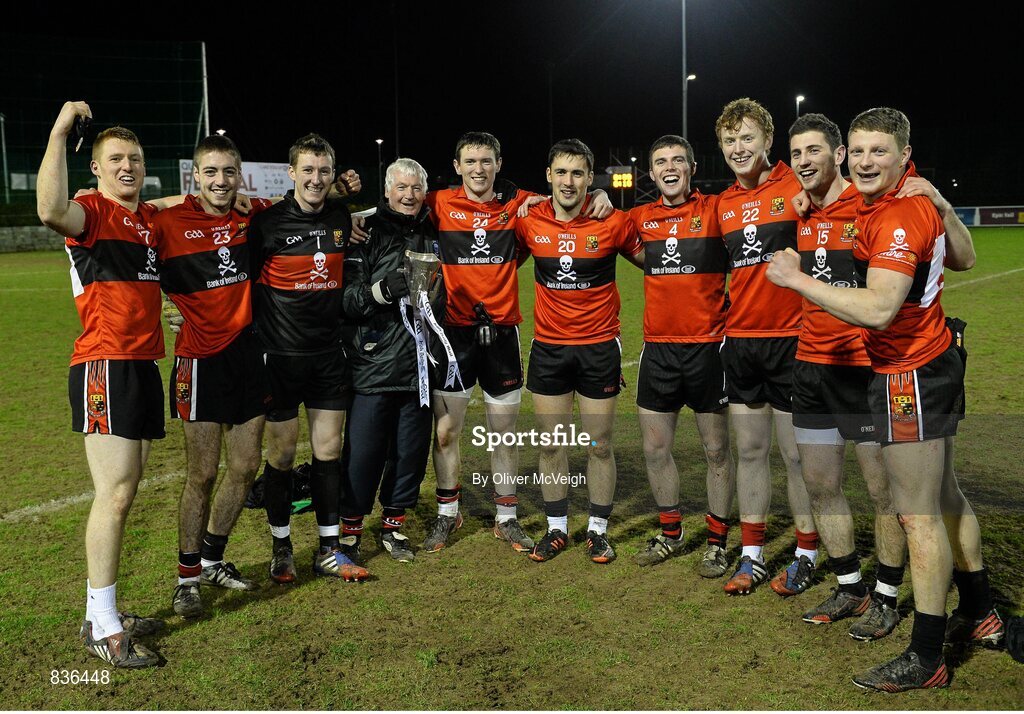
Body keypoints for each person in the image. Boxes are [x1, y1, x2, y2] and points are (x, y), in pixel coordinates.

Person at [766, 107, 1001, 692]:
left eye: (880, 152)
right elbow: (966, 257)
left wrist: (796, 279)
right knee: (943, 497)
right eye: (861, 151)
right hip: (930, 360)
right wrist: (942, 205)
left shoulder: (896, 214)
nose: (868, 162)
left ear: (903, 156)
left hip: (908, 374)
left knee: (916, 514)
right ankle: (981, 612)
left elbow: (878, 309)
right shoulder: (908, 200)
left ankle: (926, 656)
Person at [415, 131, 612, 554]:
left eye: (486, 161)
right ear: (457, 166)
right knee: (446, 432)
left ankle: (506, 517)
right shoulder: (440, 203)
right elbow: (399, 204)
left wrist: (600, 193)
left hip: (502, 332)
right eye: (470, 162)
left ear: (499, 165)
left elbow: (567, 195)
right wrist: (353, 215)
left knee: (503, 433)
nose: (479, 169)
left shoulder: (520, 204)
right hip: (452, 334)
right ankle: (448, 512)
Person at [37, 101, 167, 667]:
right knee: (113, 495)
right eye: (115, 159)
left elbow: (174, 205)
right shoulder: (90, 211)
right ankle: (102, 624)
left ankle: (103, 610)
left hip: (142, 364)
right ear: (96, 167)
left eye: (134, 158)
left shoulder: (148, 220)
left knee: (127, 490)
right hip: (104, 364)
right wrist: (59, 131)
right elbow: (49, 209)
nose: (126, 166)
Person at [782, 114, 908, 634]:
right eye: (796, 154)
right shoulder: (801, 209)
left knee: (883, 492)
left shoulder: (870, 203)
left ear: (838, 155)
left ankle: (887, 594)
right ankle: (850, 586)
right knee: (819, 485)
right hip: (812, 366)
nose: (804, 161)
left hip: (865, 369)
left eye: (814, 151)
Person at [152, 134, 273, 618]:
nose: (221, 181)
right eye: (211, 172)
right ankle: (187, 580)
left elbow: (303, 206)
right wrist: (160, 304)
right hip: (198, 360)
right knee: (202, 474)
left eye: (228, 172)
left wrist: (347, 194)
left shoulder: (253, 215)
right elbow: (125, 251)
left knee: (244, 467)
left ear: (239, 175)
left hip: (249, 356)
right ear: (195, 176)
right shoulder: (166, 222)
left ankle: (212, 559)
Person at [514, 138, 643, 563]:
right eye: (561, 172)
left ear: (590, 178)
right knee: (552, 444)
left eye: (577, 173)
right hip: (549, 348)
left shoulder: (613, 222)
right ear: (548, 176)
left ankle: (598, 530)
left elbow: (658, 260)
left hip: (599, 347)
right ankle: (556, 528)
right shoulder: (529, 221)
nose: (568, 182)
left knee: (599, 444)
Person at [713, 98, 819, 595]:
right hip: (741, 343)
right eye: (729, 140)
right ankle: (751, 555)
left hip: (794, 341)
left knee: (797, 457)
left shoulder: (797, 184)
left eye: (747, 138)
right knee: (751, 452)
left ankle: (806, 553)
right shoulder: (722, 204)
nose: (738, 148)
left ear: (768, 140)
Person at [250, 134, 367, 583]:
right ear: (292, 173)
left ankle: (329, 549)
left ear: (332, 175)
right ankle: (281, 546)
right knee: (281, 455)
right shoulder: (266, 224)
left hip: (328, 357)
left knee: (328, 451)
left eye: (324, 171)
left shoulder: (339, 216)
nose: (316, 179)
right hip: (279, 358)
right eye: (308, 170)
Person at [626, 135, 735, 571]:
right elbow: (610, 233)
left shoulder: (716, 210)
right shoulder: (640, 217)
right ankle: (671, 534)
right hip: (658, 350)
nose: (669, 167)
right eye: (660, 162)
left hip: (708, 349)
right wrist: (598, 197)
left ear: (691, 168)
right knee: (655, 449)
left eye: (677, 160)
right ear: (651, 173)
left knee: (716, 451)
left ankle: (717, 541)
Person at [340, 158, 444, 563]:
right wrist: (381, 291)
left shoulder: (434, 230)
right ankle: (350, 533)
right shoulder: (364, 231)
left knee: (409, 454)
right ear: (387, 191)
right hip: (374, 364)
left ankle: (393, 527)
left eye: (416, 188)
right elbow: (346, 300)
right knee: (363, 455)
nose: (409, 195)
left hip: (419, 367)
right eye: (401, 187)